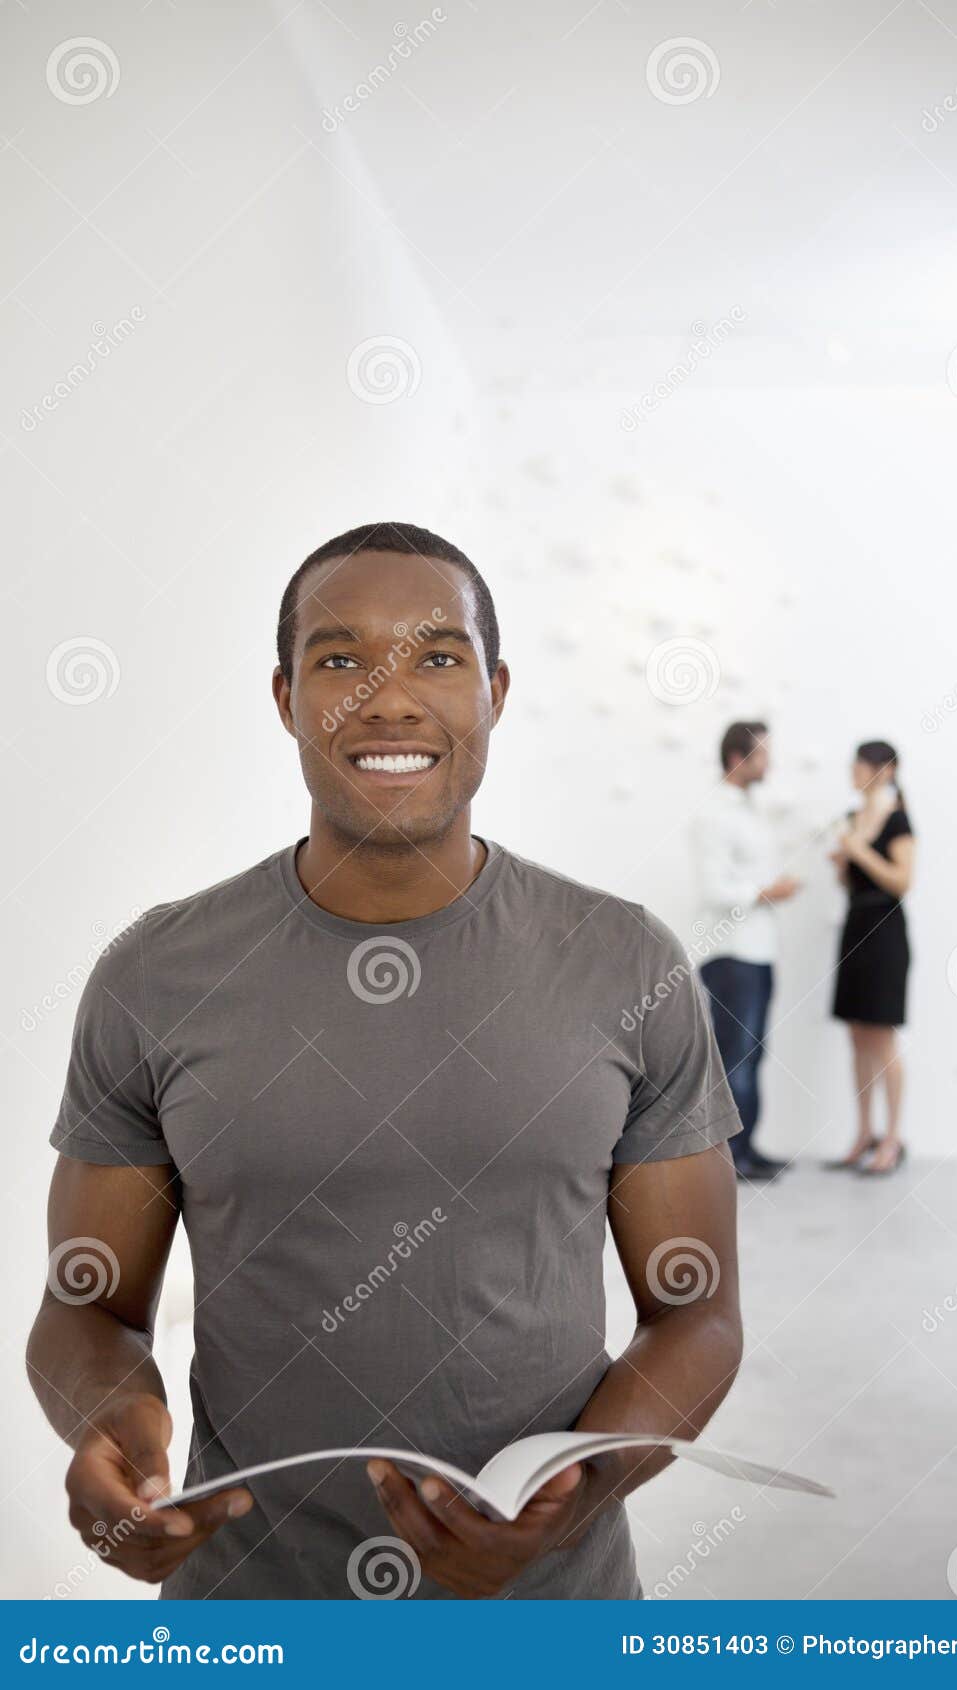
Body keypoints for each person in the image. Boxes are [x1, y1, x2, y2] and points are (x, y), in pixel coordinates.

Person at [27, 521, 744, 1601]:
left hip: (551, 1615)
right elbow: (89, 1304)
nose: (390, 698)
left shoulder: (623, 963)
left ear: (494, 690)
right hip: (249, 1611)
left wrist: (582, 1491)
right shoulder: (157, 974)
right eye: (341, 657)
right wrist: (113, 1429)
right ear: (285, 699)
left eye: (437, 657)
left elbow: (695, 1310)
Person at [692, 722, 801, 1184]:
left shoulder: (751, 811)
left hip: (757, 950)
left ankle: (747, 1149)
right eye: (761, 755)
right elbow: (715, 888)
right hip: (731, 953)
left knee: (751, 1054)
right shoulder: (714, 814)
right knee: (735, 1057)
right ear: (737, 759)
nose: (769, 764)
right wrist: (769, 890)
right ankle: (731, 1155)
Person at [826, 739, 915, 1177]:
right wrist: (843, 865)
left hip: (885, 933)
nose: (854, 771)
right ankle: (864, 1133)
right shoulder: (851, 818)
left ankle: (893, 1139)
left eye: (861, 764)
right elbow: (852, 884)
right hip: (855, 927)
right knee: (857, 1035)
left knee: (883, 1037)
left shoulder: (897, 818)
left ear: (885, 769)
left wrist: (859, 851)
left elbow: (902, 880)